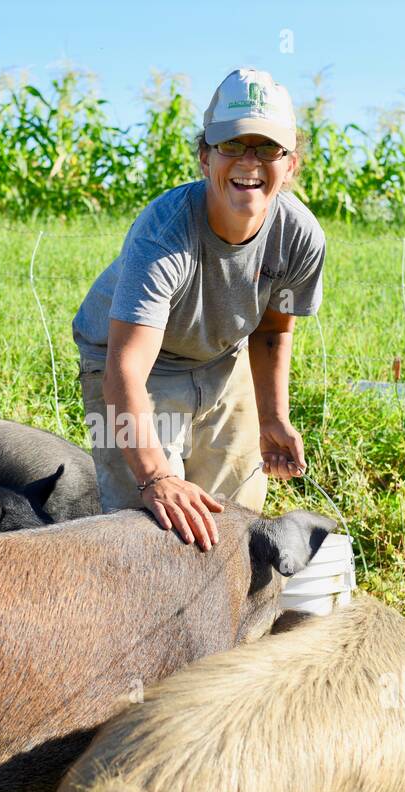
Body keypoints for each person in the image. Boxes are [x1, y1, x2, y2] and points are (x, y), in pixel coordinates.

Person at [72, 66, 327, 550]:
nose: (249, 161)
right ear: (205, 158)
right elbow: (125, 372)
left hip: (220, 357)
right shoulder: (165, 235)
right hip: (134, 365)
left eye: (268, 147)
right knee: (152, 528)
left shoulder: (299, 236)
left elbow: (273, 330)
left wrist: (274, 418)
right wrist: (154, 478)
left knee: (235, 517)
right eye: (232, 145)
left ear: (291, 163)